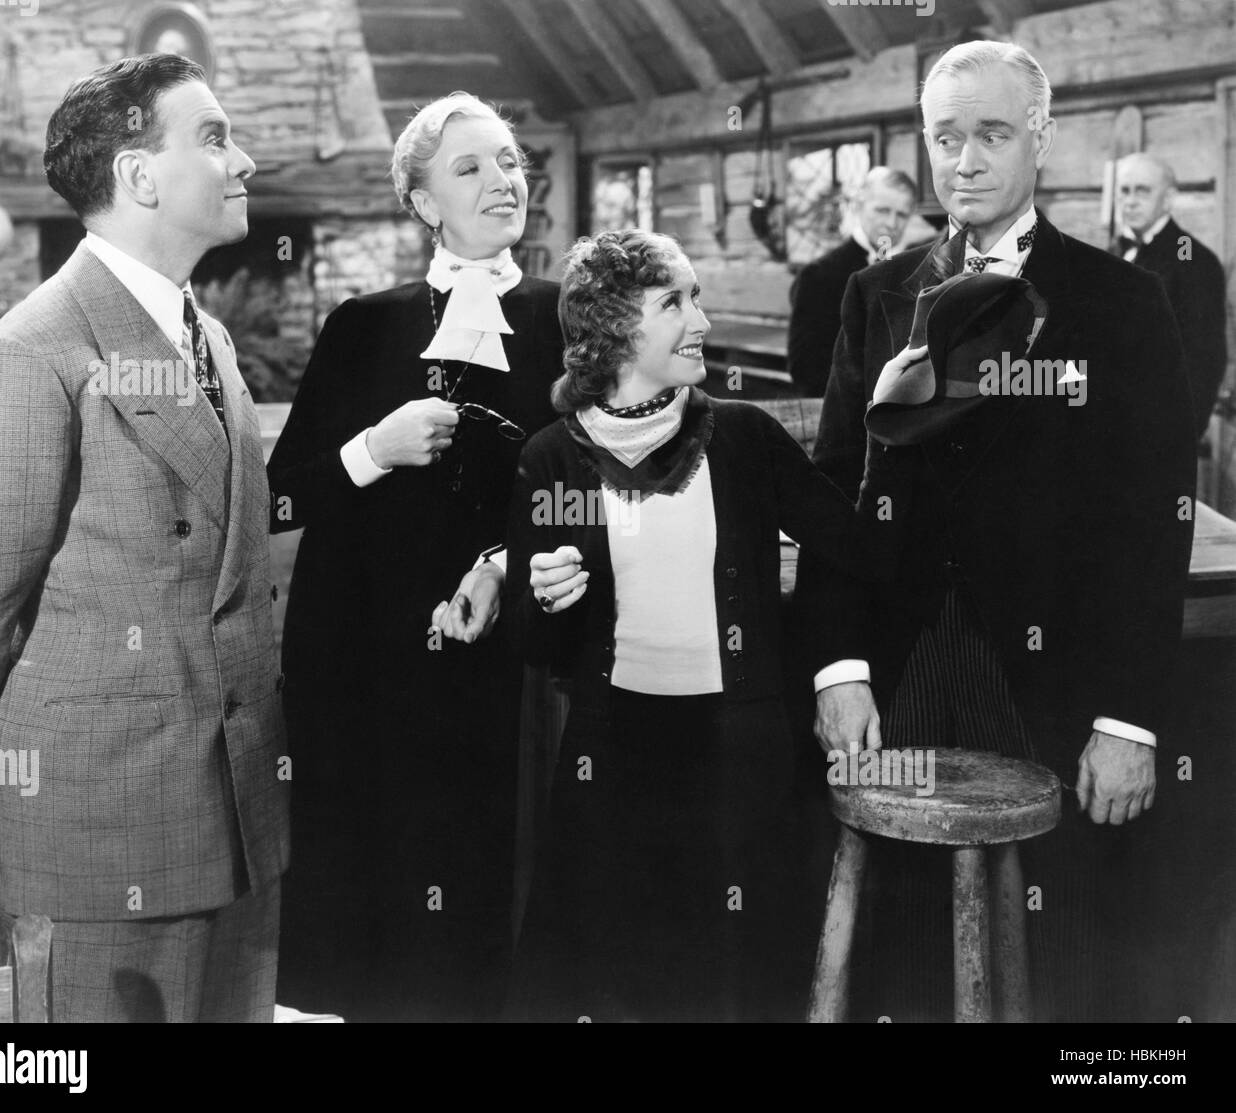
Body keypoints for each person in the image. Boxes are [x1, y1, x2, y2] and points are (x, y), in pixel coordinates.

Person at [808, 40, 1196, 1021]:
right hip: (901, 670)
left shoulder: (1120, 303)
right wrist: (838, 667)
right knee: (901, 954)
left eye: (990, 135)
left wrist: (1128, 718)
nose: (965, 161)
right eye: (945, 138)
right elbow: (831, 495)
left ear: (1038, 139)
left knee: (1054, 956)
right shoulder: (874, 294)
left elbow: (1152, 521)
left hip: (1053, 680)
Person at [0, 54, 288, 1022]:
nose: (244, 160)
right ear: (138, 177)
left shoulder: (204, 336)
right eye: (214, 137)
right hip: (102, 840)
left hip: (240, 826)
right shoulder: (27, 356)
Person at [504, 229, 897, 1021]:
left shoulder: (744, 439)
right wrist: (543, 598)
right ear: (614, 328)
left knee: (737, 984)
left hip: (739, 756)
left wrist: (893, 419)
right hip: (610, 762)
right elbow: (534, 648)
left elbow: (859, 546)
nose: (702, 320)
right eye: (674, 302)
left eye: (697, 298)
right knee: (623, 983)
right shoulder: (554, 458)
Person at [268, 93, 564, 1021]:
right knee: (379, 882)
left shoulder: (569, 317)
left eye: (509, 162)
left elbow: (599, 492)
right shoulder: (364, 324)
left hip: (509, 648)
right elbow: (284, 494)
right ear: (424, 202)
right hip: (364, 650)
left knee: (492, 873)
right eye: (469, 169)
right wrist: (375, 448)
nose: (501, 182)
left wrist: (507, 565)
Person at [1114, 151, 1229, 438]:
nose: (1130, 200)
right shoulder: (1116, 253)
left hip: (1160, 431)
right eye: (1124, 191)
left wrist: (1182, 435)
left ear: (1167, 199)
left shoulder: (1189, 255)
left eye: (1142, 190)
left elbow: (1204, 360)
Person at [786, 167, 917, 396]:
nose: (891, 223)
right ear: (859, 207)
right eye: (882, 210)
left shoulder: (916, 271)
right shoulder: (818, 276)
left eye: (901, 214)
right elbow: (804, 369)